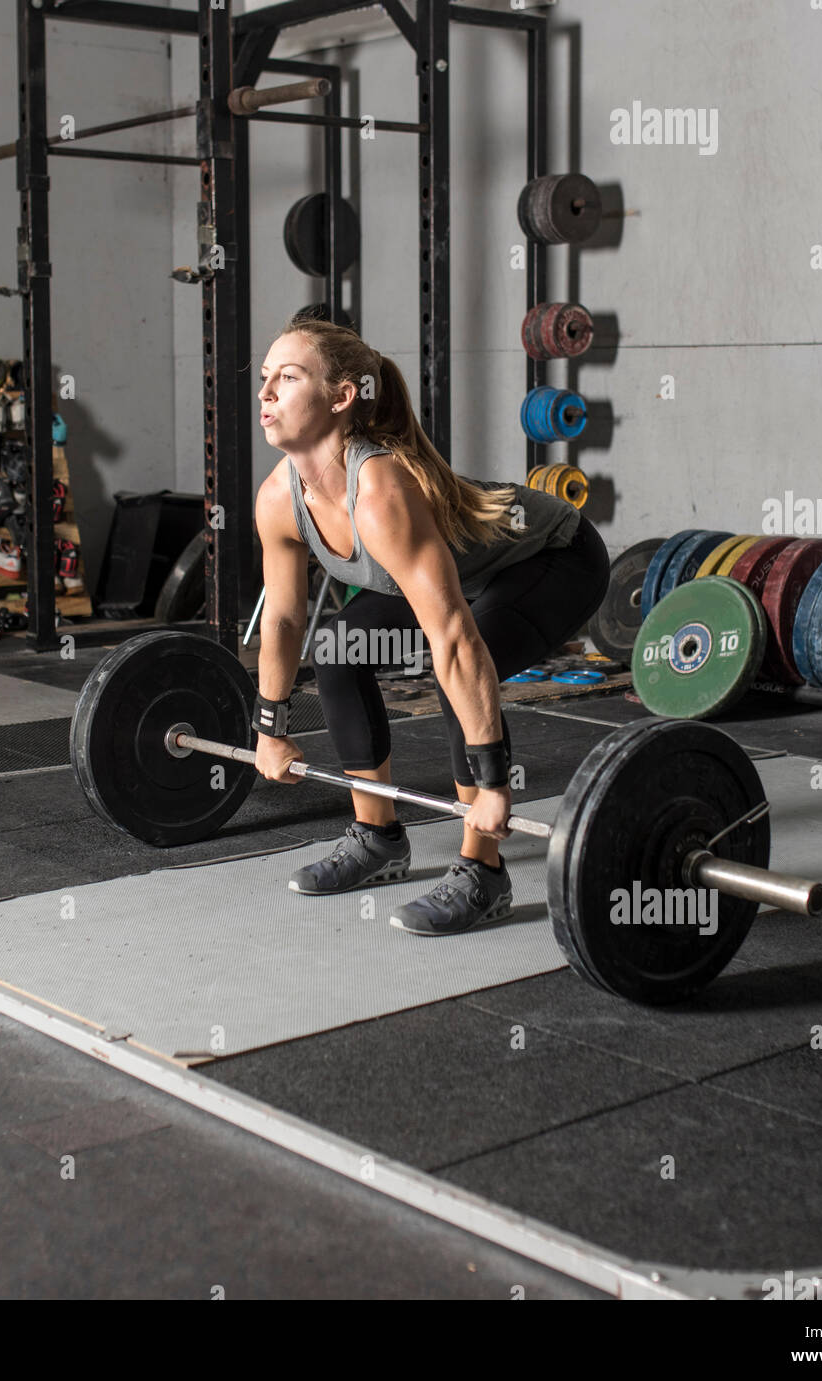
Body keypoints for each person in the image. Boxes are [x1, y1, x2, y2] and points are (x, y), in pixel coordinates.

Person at [253, 315, 610, 935]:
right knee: (339, 645)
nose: (266, 393)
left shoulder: (380, 490)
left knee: (460, 673)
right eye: (265, 378)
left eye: (287, 377)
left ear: (342, 398)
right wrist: (270, 727)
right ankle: (377, 838)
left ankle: (483, 872)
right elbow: (284, 619)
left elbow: (452, 639)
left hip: (553, 557)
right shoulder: (277, 499)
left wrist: (496, 782)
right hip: (464, 575)